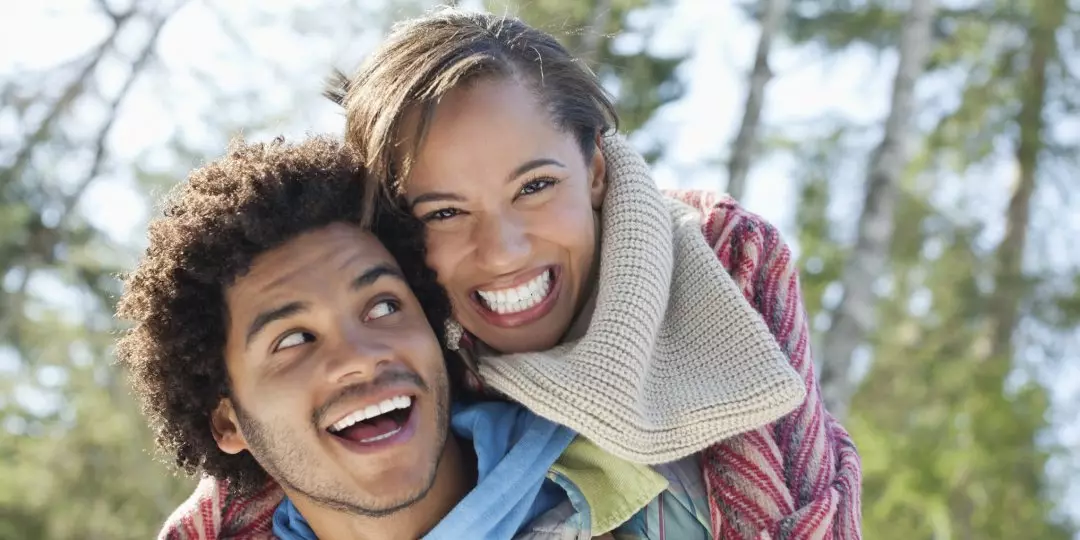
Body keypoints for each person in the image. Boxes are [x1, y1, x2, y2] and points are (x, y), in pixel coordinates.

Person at [163, 8, 863, 539]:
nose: (501, 253)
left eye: (533, 187)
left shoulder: (714, 258)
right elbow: (267, 450)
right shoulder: (411, 340)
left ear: (594, 169)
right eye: (442, 212)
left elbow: (799, 502)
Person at [117, 136, 687, 539]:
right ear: (228, 423)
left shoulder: (666, 488)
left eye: (384, 305)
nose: (361, 357)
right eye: (292, 340)